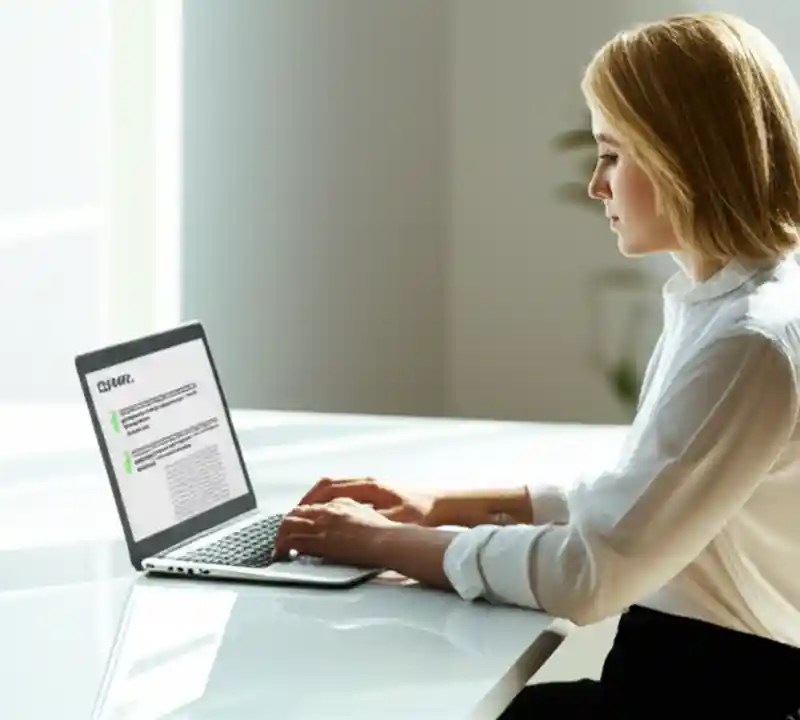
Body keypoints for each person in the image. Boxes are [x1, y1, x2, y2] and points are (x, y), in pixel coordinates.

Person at [273, 11, 800, 717]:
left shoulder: (748, 343)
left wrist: (383, 542)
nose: (595, 186)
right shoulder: (726, 304)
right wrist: (445, 508)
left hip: (717, 694)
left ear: (682, 157)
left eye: (612, 154)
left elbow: (588, 575)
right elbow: (639, 495)